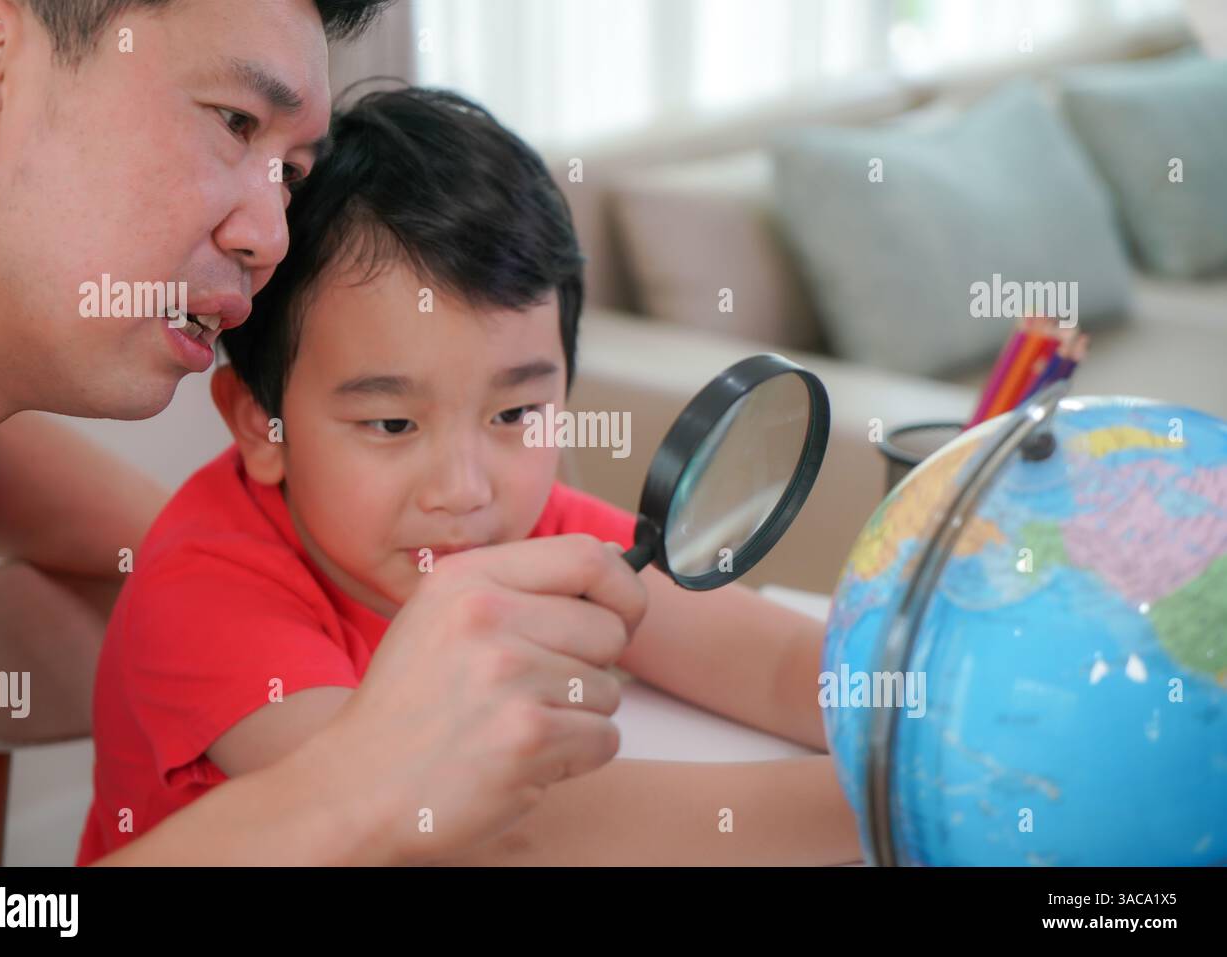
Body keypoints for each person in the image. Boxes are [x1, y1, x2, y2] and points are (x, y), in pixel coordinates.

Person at [0, 0, 647, 866]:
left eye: (294, 176)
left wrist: (208, 562)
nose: (270, 240)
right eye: (234, 122)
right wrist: (358, 785)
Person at [78, 87, 862, 865]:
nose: (465, 490)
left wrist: (943, 730)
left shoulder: (539, 528)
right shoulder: (206, 596)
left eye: (515, 414)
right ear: (262, 424)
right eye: (392, 424)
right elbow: (496, 830)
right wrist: (893, 807)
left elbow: (777, 665)